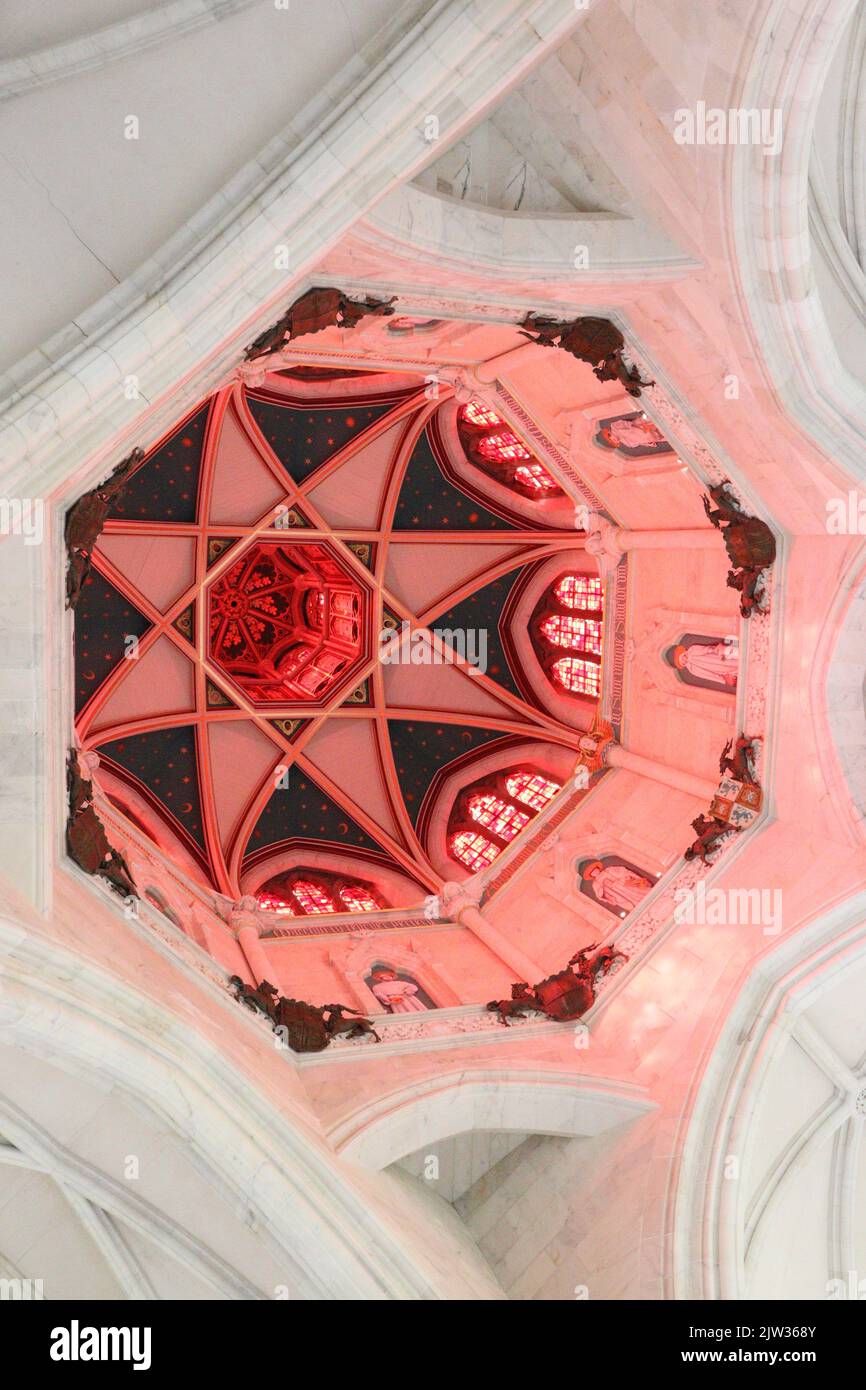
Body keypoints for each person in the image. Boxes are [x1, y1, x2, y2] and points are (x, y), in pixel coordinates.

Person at [580, 860, 653, 915]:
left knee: (634, 891)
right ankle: (635, 904)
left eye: (595, 869)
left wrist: (620, 881)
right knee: (626, 899)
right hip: (615, 892)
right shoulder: (596, 883)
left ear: (598, 868)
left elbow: (622, 872)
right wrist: (606, 888)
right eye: (592, 872)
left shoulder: (608, 870)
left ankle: (643, 896)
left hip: (623, 884)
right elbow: (600, 895)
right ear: (591, 875)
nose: (595, 872)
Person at [672, 639, 738, 687]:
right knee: (730, 670)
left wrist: (712, 650)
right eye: (682, 661)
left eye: (682, 657)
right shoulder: (691, 669)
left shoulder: (692, 650)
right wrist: (722, 678)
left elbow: (705, 649)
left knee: (731, 660)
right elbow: (707, 675)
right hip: (717, 669)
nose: (684, 659)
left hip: (715, 657)